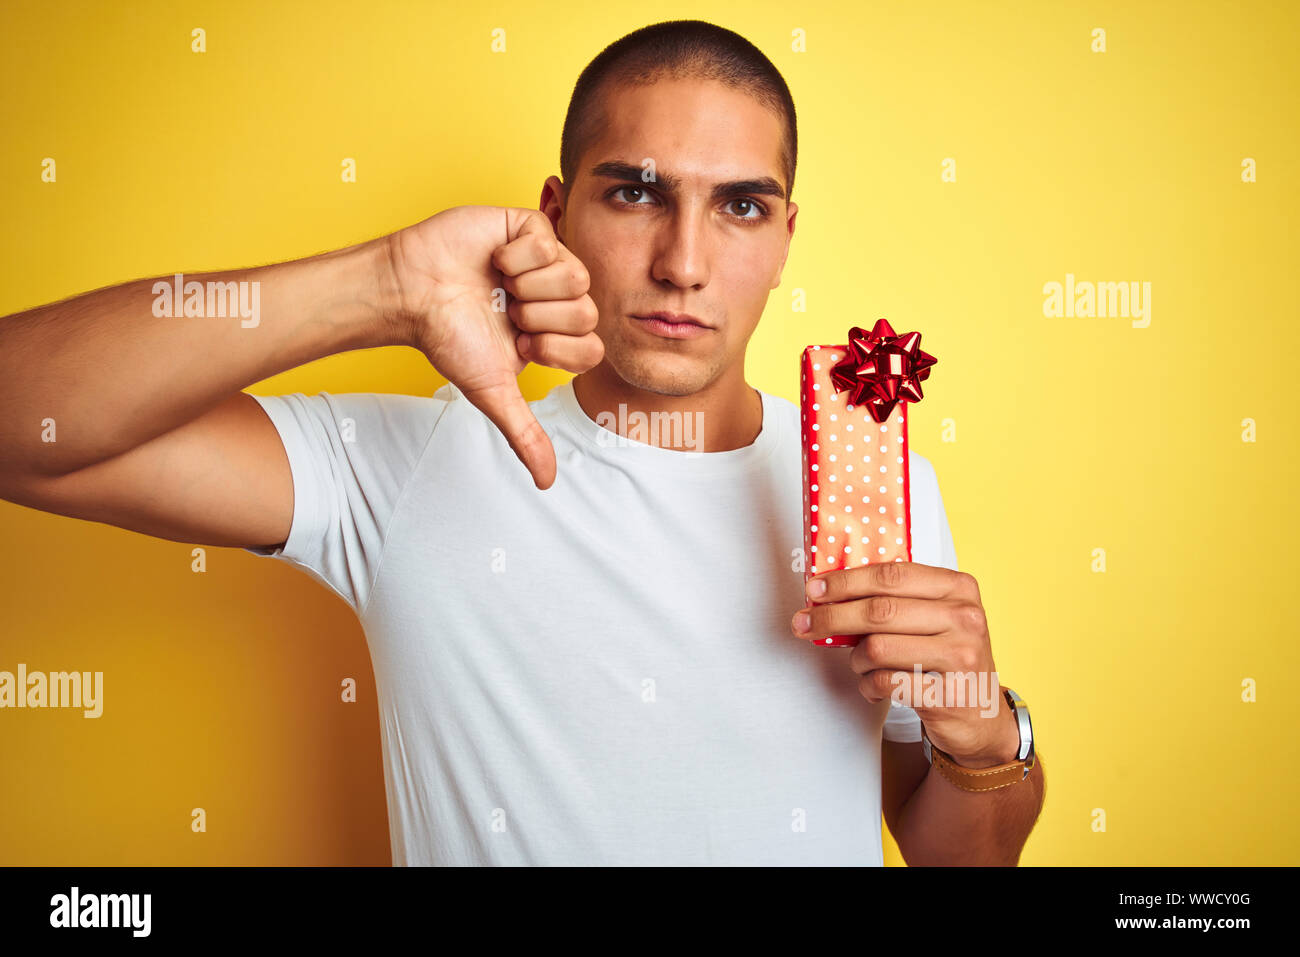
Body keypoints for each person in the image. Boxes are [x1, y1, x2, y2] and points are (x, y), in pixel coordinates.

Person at [0, 19, 1044, 865]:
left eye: (737, 206)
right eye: (635, 192)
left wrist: (985, 734)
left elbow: (962, 857)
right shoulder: (398, 473)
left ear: (782, 239)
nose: (683, 262)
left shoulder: (882, 490)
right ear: (556, 213)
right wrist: (383, 288)